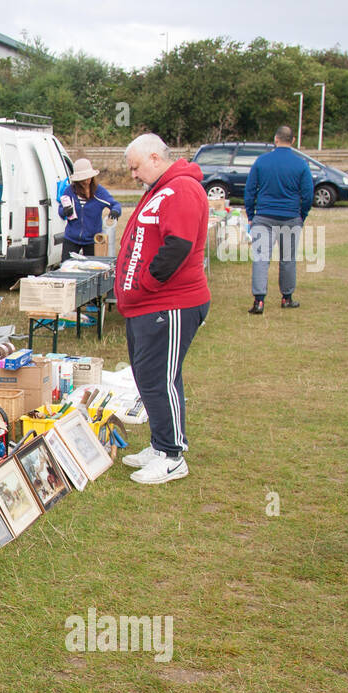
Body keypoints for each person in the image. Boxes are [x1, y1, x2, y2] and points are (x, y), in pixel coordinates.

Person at [115, 133, 211, 485]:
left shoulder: (181, 189)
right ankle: (160, 445)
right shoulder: (160, 189)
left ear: (155, 158)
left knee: (159, 379)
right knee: (149, 377)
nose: (134, 175)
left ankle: (172, 456)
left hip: (170, 303)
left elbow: (178, 247)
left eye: (136, 167)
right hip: (147, 304)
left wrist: (145, 285)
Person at [244, 126, 313, 313]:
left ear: (275, 139)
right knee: (288, 259)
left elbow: (250, 190)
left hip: (264, 216)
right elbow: (308, 194)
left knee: (261, 258)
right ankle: (286, 297)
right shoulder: (301, 164)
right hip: (290, 216)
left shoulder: (261, 161)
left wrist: (251, 215)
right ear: (293, 140)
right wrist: (302, 215)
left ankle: (259, 301)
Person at [58, 158, 121, 260]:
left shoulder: (99, 191)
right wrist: (64, 211)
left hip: (92, 240)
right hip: (71, 239)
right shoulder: (69, 191)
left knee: (90, 269)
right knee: (66, 267)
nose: (86, 181)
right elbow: (61, 211)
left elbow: (115, 204)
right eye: (82, 179)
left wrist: (115, 211)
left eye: (88, 177)